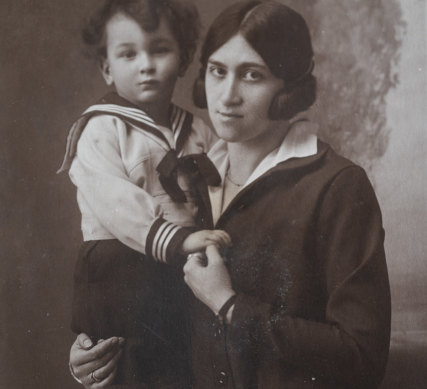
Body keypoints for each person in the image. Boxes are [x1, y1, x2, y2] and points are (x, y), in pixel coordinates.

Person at [68, 1, 391, 388]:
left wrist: (232, 306)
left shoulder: (336, 186)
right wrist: (100, 351)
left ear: (290, 88)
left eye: (252, 75)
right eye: (218, 72)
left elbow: (361, 358)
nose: (227, 96)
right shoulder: (195, 179)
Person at [59, 0, 231, 387]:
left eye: (160, 50)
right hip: (119, 269)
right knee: (128, 367)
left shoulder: (198, 130)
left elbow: (227, 182)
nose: (146, 64)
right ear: (107, 67)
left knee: (181, 364)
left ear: (184, 60)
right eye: (128, 54)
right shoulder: (100, 130)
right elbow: (115, 202)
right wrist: (178, 238)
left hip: (176, 268)